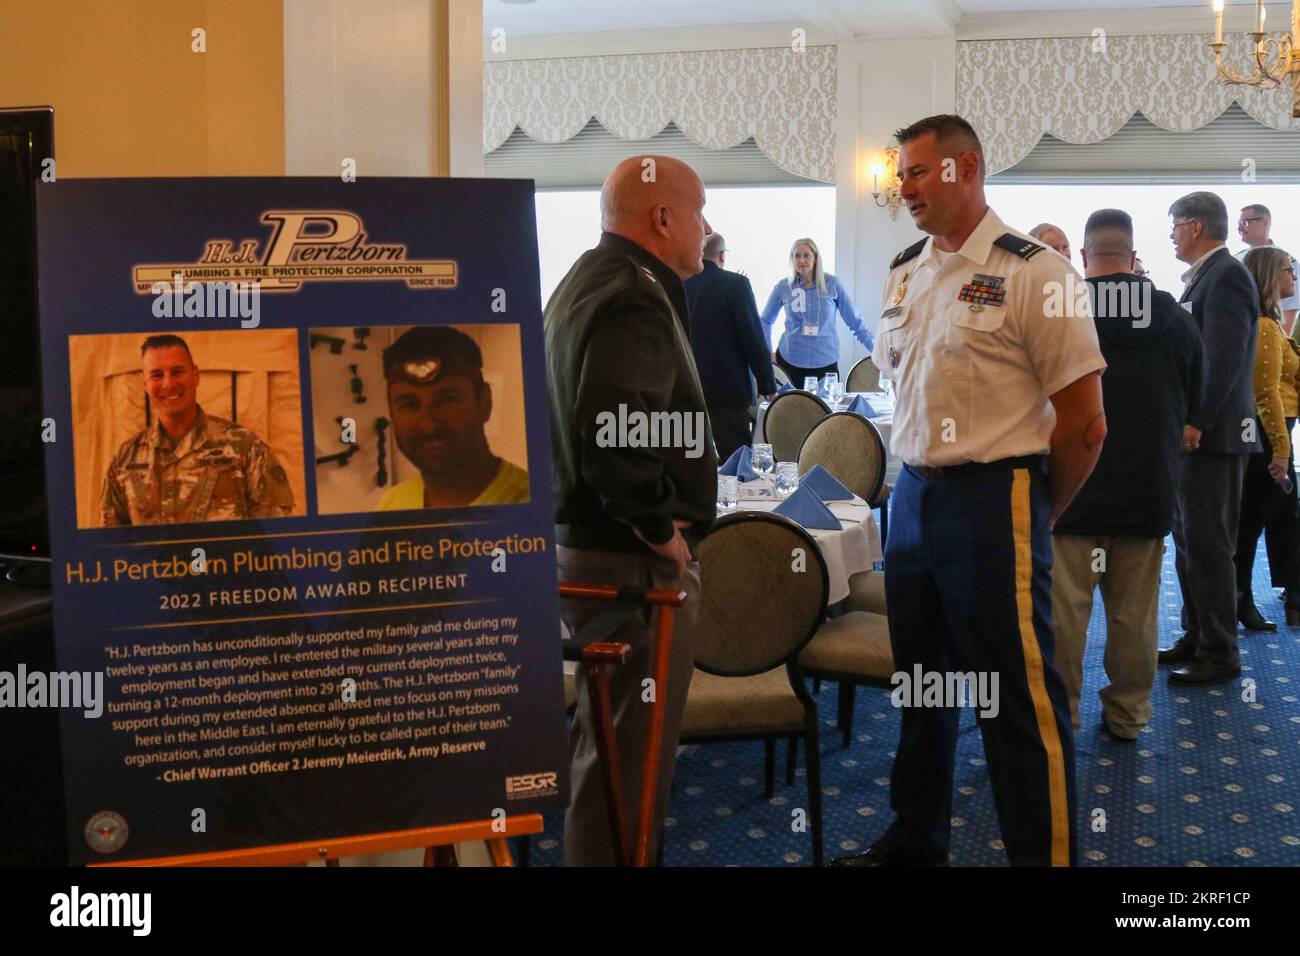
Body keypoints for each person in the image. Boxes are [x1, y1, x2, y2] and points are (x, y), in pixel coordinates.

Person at [833, 114, 1106, 868]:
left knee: (1016, 704)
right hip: (913, 498)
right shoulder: (903, 270)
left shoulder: (1035, 273)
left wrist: (1037, 514)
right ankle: (915, 842)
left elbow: (1086, 426)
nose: (904, 187)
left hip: (997, 499)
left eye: (918, 172)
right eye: (901, 173)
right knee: (921, 691)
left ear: (967, 168)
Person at [543, 155, 716, 866]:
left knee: (606, 747)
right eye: (700, 211)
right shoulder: (637, 295)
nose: (708, 228)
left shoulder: (584, 278)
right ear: (664, 218)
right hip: (627, 559)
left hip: (588, 547)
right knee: (631, 764)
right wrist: (657, 527)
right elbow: (613, 432)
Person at [1051, 210, 1202, 741]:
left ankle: (1061, 714)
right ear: (1134, 258)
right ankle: (1128, 715)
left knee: (1065, 617)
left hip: (1074, 490)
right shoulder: (1174, 317)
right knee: (1135, 618)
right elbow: (1196, 398)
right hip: (1147, 487)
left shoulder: (1062, 312)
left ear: (1086, 258)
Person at [1159, 191, 1262, 685]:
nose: (1171, 235)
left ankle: (1220, 651)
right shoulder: (1207, 276)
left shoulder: (1227, 277)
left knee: (1209, 546)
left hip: (1214, 436)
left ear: (1195, 227)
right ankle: (1195, 633)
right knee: (1188, 543)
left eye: (1175, 226)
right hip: (1198, 436)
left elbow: (1223, 359)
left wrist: (1196, 421)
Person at [101, 334, 295, 525]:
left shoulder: (246, 447)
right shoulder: (126, 458)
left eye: (177, 372)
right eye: (157, 375)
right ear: (145, 384)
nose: (168, 384)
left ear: (195, 376)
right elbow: (113, 543)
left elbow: (275, 536)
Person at [376, 326, 529, 510]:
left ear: (485, 403)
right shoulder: (390, 507)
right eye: (409, 404)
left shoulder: (532, 502)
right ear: (392, 412)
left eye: (447, 400)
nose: (428, 425)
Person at [1234, 247, 1300, 629]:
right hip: (1269, 434)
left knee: (1279, 515)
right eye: (1289, 271)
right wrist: (1281, 449)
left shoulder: (1270, 323)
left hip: (1274, 432)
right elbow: (1265, 392)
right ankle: (1240, 601)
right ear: (1271, 277)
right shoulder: (1264, 325)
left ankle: (1276, 598)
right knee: (1249, 525)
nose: (1293, 278)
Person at [683, 232, 777, 460]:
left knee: (692, 462)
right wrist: (767, 385)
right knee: (734, 464)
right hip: (729, 393)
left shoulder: (680, 284)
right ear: (722, 255)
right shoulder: (736, 285)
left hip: (688, 391)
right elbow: (753, 339)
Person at [760, 237, 873, 387]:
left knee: (824, 409)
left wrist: (876, 350)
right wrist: (768, 351)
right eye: (797, 256)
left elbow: (855, 321)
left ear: (815, 258)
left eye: (806, 255)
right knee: (789, 409)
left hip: (825, 363)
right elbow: (765, 320)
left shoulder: (833, 284)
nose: (801, 260)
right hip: (789, 361)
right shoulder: (784, 286)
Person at [1235, 204, 1299, 334]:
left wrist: (1281, 345)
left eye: (1244, 222)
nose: (1239, 228)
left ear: (1264, 222)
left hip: (1270, 335)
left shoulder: (1287, 263)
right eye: (1238, 224)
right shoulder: (1235, 262)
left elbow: (1289, 310)